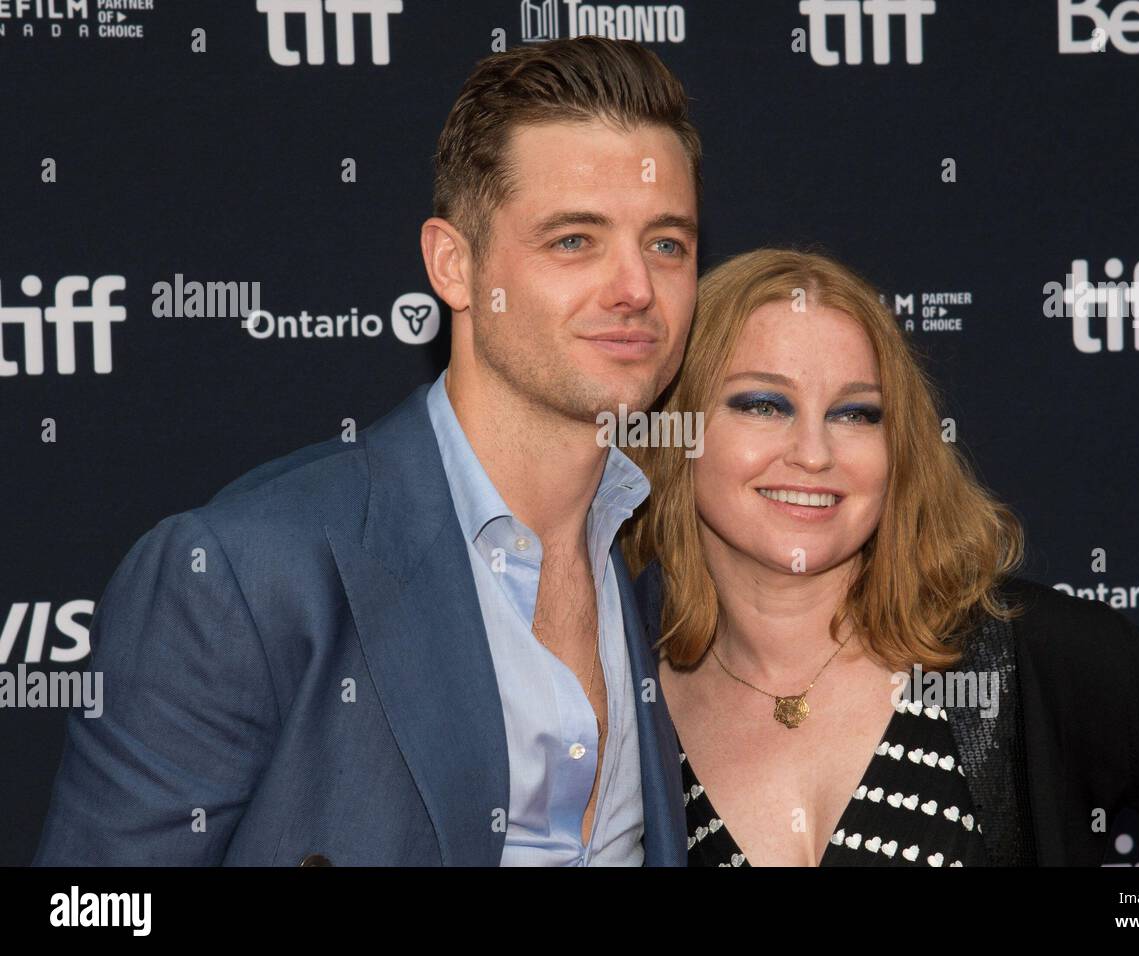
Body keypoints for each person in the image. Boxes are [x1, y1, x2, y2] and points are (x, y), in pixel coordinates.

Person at [33, 36, 698, 867]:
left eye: (667, 243)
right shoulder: (243, 577)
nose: (635, 287)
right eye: (574, 241)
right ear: (453, 266)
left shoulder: (666, 574)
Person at [624, 247, 1139, 867]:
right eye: (764, 405)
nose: (814, 453)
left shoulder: (1031, 654)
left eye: (857, 414)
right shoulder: (622, 703)